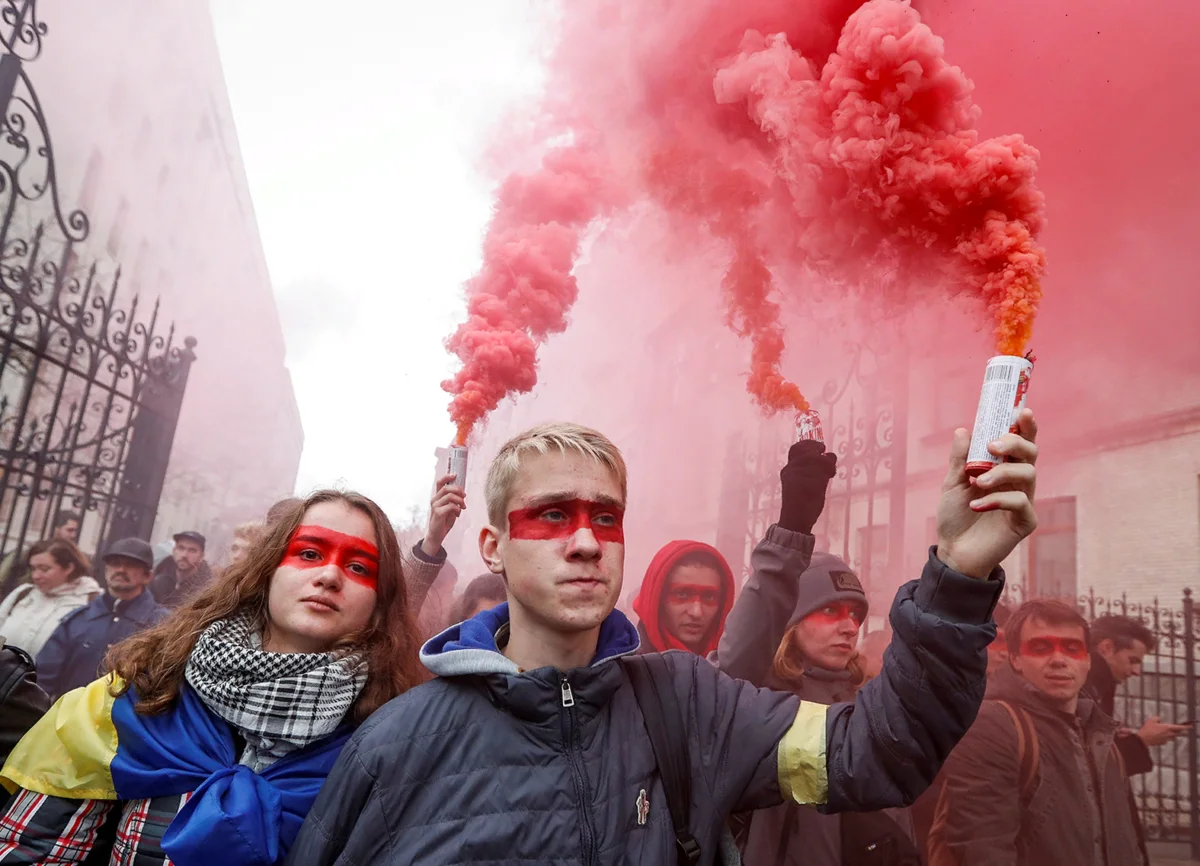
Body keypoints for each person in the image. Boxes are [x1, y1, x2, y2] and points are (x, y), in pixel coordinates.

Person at [287, 412, 1038, 865]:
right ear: (490, 546)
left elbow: (877, 753)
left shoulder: (691, 709)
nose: (585, 541)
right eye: (551, 516)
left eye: (605, 517)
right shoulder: (395, 742)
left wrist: (957, 578)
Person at [0, 489, 426, 866]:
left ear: (378, 600)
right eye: (310, 554)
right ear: (267, 570)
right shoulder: (134, 697)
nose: (330, 576)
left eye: (358, 566)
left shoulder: (389, 744)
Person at [925, 599, 1145, 865]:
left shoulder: (1101, 735)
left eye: (1072, 648)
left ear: (1087, 660)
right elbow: (982, 846)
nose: (1058, 660)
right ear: (1016, 659)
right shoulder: (993, 725)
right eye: (1040, 648)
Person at [33, 537, 167, 699]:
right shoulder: (78, 620)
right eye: (115, 563)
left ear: (148, 576)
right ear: (106, 570)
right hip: (69, 720)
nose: (121, 569)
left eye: (131, 564)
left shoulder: (162, 625)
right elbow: (42, 679)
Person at [632, 540, 736, 655]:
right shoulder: (621, 668)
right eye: (682, 595)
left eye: (709, 597)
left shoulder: (737, 668)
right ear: (656, 599)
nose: (697, 612)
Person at [0, 538, 100, 657]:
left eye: (44, 569)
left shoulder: (90, 601)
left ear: (69, 568)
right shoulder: (23, 592)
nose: (36, 576)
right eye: (33, 569)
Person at [0, 510, 82, 599]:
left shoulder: (73, 557)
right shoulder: (28, 552)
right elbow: (2, 577)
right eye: (69, 530)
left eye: (76, 531)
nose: (74, 535)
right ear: (56, 529)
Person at [151, 531, 214, 607]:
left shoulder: (205, 590)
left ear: (201, 556)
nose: (184, 555)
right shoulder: (157, 579)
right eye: (181, 548)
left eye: (192, 550)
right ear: (174, 551)